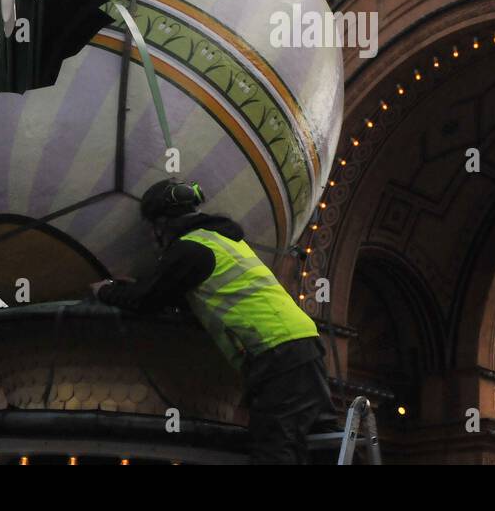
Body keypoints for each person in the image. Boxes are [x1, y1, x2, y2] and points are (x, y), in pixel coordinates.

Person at [93, 179, 337, 464]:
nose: (151, 236)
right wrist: (137, 287)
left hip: (275, 352)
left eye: (152, 227)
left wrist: (106, 291)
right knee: (319, 438)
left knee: (274, 446)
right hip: (302, 341)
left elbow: (148, 300)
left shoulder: (187, 249)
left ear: (162, 224)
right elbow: (181, 291)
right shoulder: (222, 240)